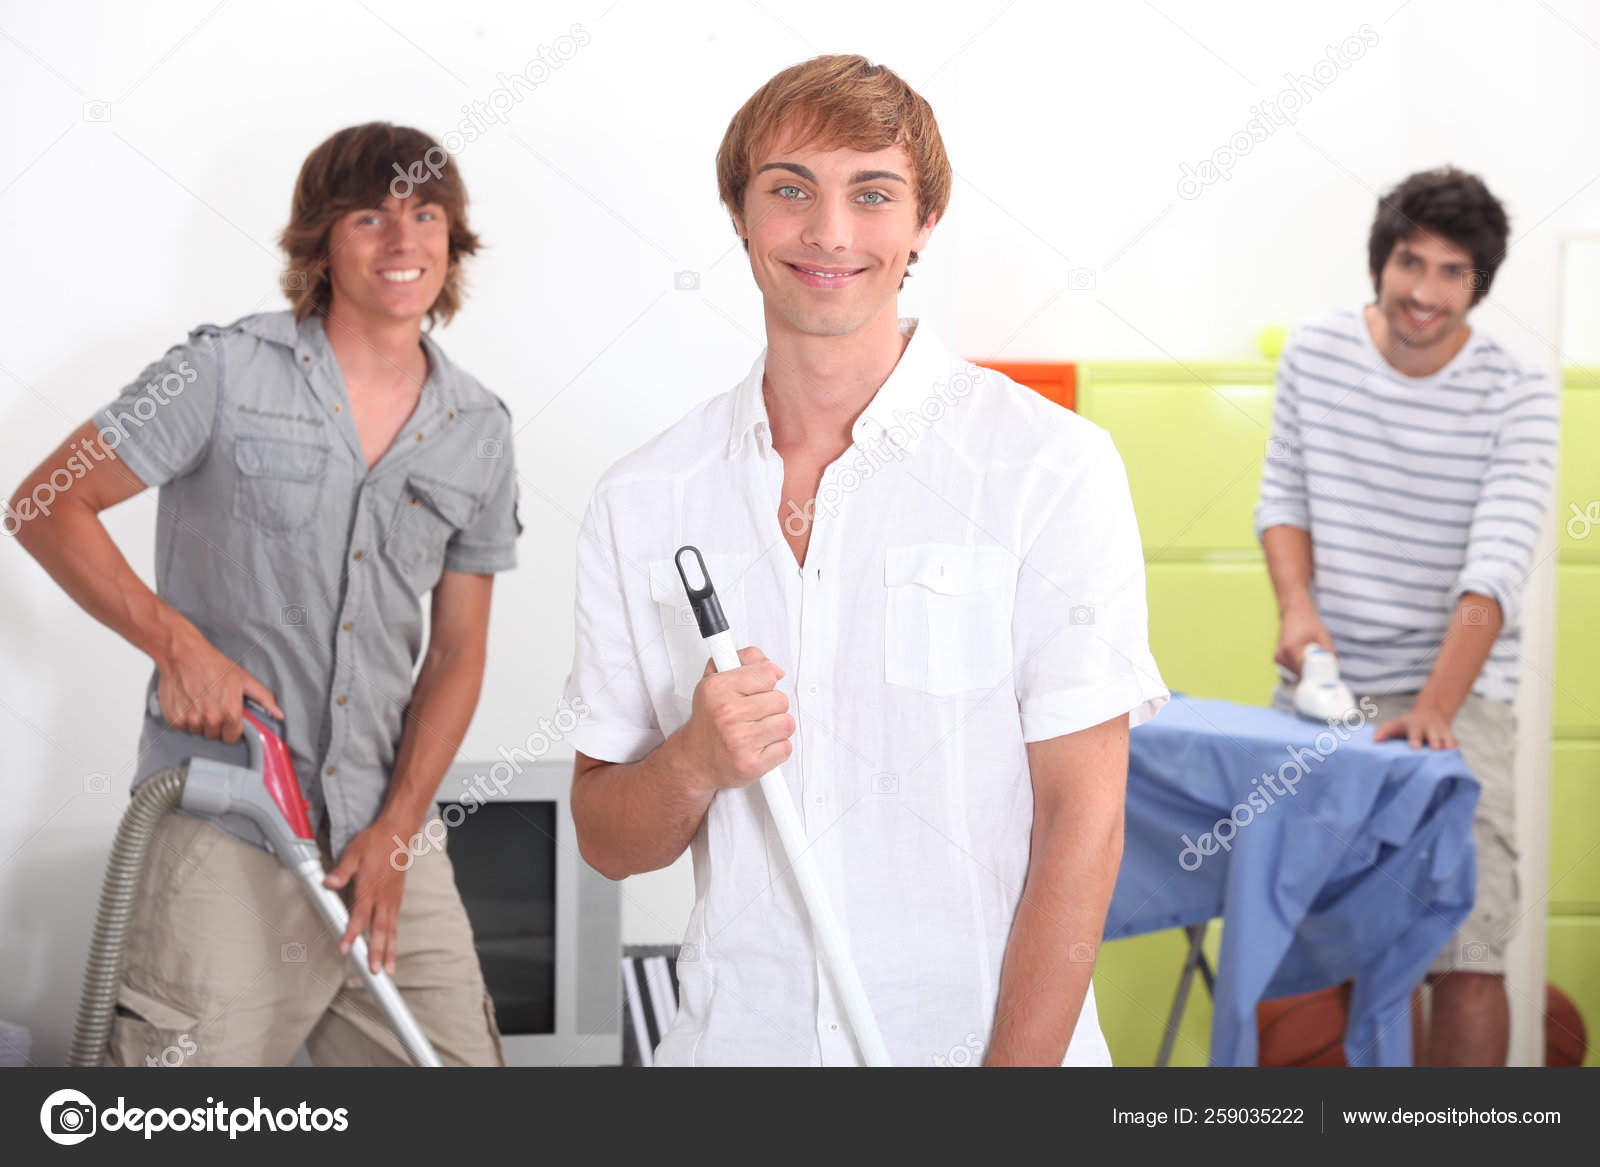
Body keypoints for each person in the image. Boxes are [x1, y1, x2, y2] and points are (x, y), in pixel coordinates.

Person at [565, 54, 1168, 1066]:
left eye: (872, 193)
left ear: (924, 222)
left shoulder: (1046, 468)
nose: (829, 232)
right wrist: (694, 764)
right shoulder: (644, 496)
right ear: (739, 213)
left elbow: (1085, 826)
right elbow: (607, 839)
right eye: (789, 189)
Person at [8, 123, 521, 1065]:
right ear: (322, 240)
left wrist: (401, 830)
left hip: (384, 836)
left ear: (453, 241)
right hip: (226, 829)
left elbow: (458, 653)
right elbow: (45, 502)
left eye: (426, 214)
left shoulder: (478, 428)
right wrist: (177, 645)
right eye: (371, 216)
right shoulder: (221, 372)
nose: (403, 240)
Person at [1256, 166, 1559, 1065]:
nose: (1424, 292)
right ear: (1380, 262)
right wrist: (1298, 610)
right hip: (1329, 687)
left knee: (1466, 947)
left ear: (1480, 285)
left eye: (1452, 272)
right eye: (1409, 263)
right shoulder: (1315, 352)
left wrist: (1434, 706)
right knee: (1331, 945)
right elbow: (1283, 498)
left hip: (1460, 692)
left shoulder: (1519, 390)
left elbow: (1497, 565)